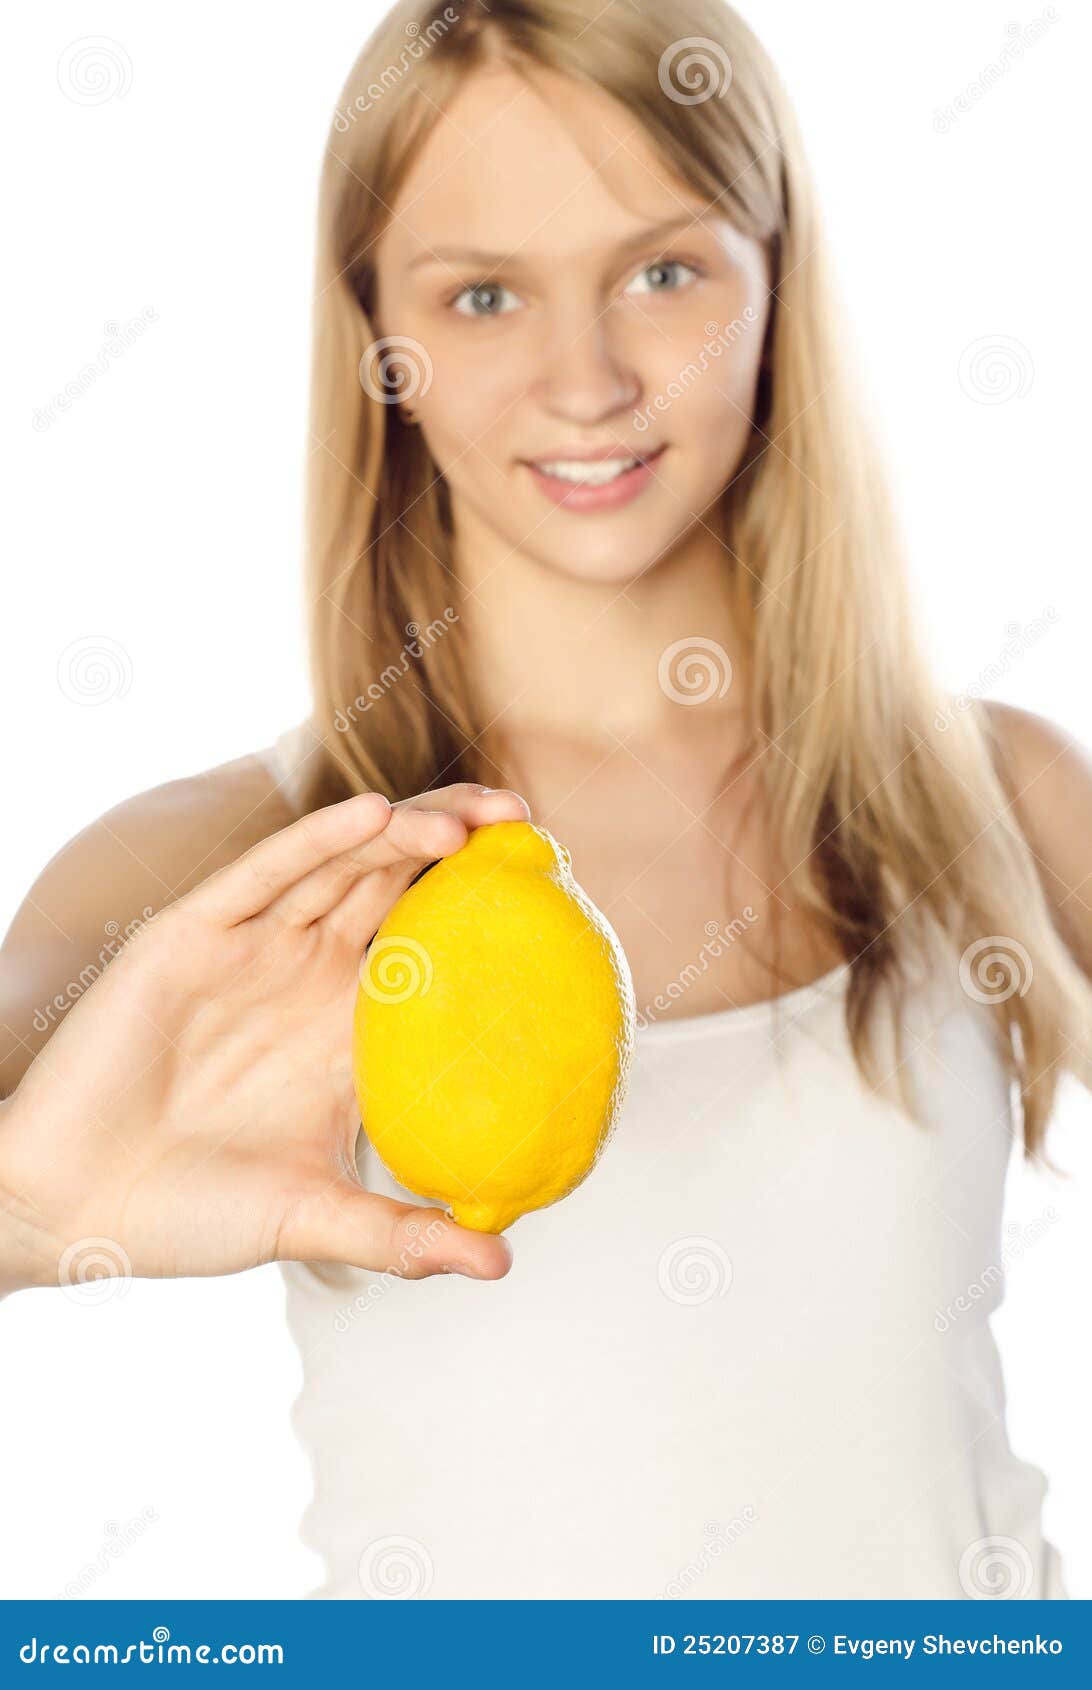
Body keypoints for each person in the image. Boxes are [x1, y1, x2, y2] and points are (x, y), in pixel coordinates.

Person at [2, 0, 1090, 1601]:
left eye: (663, 273)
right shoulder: (222, 869)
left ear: (776, 276)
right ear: (375, 334)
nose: (587, 382)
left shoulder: (1002, 797)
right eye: (486, 294)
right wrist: (26, 1220)